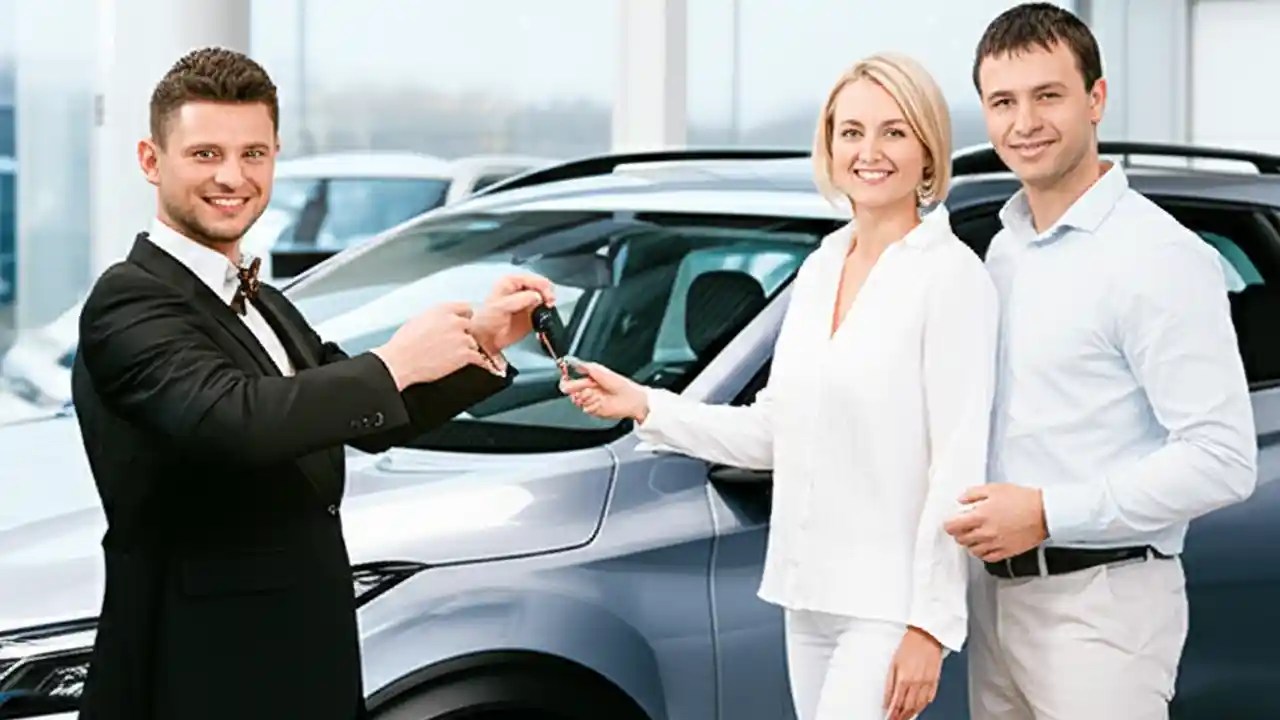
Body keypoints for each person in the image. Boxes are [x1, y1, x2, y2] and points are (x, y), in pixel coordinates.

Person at [71, 47, 553, 720]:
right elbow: (233, 422)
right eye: (206, 154)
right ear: (152, 161)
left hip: (302, 666)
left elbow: (366, 416)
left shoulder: (264, 300)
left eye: (254, 154)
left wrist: (483, 342)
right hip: (199, 678)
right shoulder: (129, 299)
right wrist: (394, 362)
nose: (233, 177)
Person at [560, 53, 998, 720]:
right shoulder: (824, 266)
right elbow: (775, 431)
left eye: (893, 131)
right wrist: (644, 403)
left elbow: (959, 467)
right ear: (829, 145)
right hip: (806, 593)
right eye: (850, 132)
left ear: (927, 148)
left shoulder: (950, 277)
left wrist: (930, 626)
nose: (869, 151)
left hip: (885, 607)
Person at [943, 4, 1259, 719]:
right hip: (995, 601)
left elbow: (1223, 457)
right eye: (1003, 102)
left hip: (1102, 610)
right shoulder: (1004, 248)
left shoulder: (1157, 256)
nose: (1024, 122)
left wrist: (1050, 514)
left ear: (1096, 99)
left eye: (1047, 95)